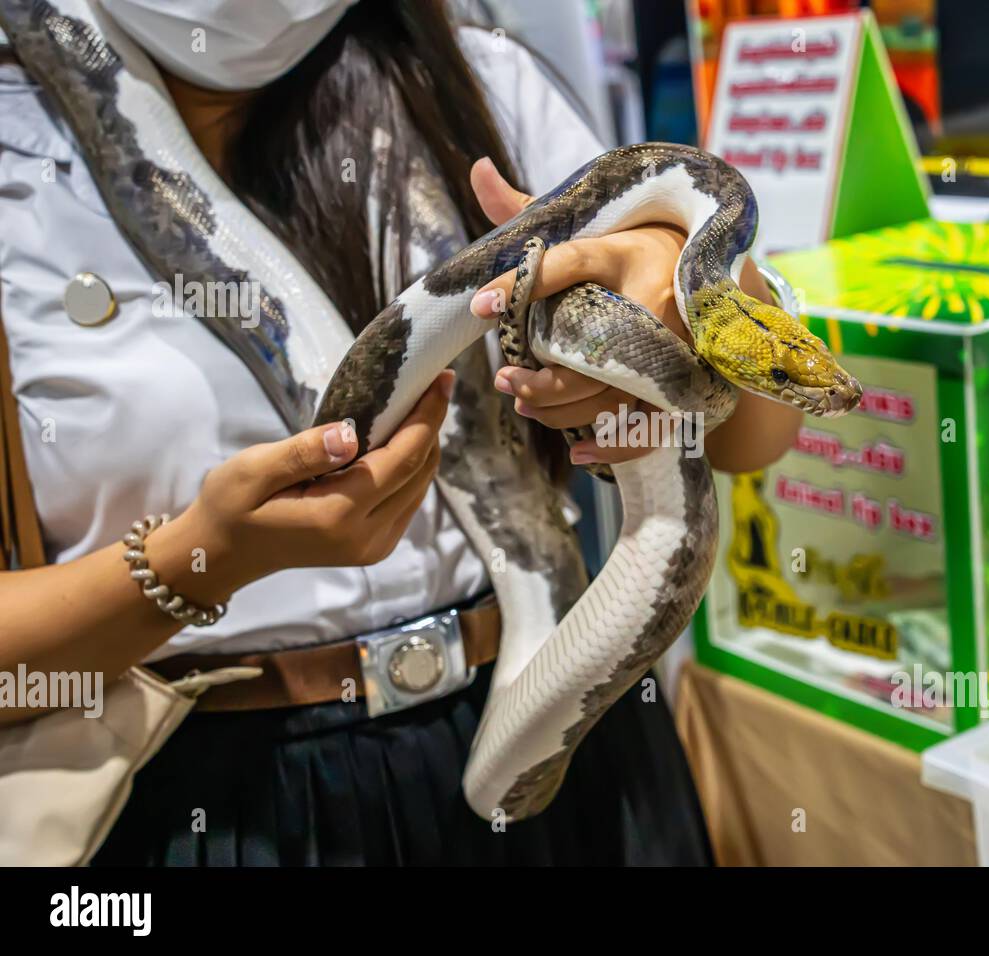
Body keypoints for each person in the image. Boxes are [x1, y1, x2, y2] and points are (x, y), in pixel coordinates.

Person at [0, 0, 801, 865]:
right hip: (218, 798)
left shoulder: (476, 78)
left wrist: (678, 310)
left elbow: (756, 439)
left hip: (564, 730)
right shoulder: (22, 151)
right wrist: (201, 562)